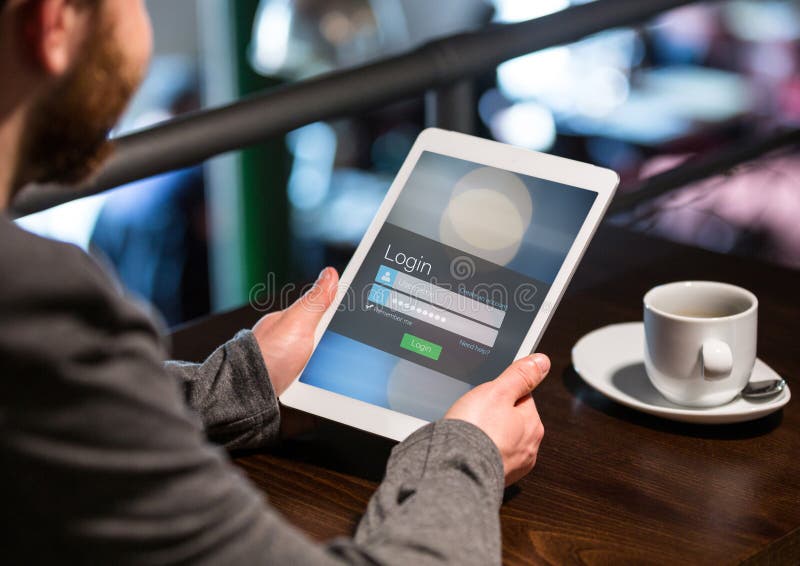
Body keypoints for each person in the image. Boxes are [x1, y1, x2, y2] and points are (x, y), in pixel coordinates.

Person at [0, 1, 549, 564]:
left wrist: (239, 385)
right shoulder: (36, 303)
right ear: (55, 22)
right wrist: (466, 455)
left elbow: (73, 422)